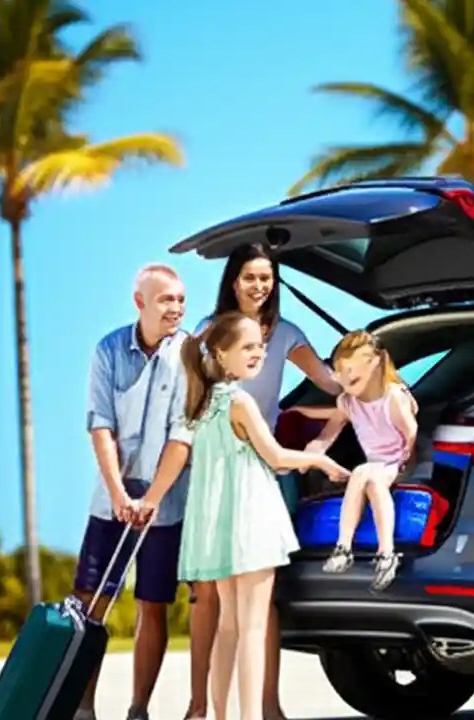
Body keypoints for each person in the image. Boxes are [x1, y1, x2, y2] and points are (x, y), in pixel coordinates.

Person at [147, 242, 341, 720]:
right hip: (244, 483)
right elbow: (273, 456)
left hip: (234, 480)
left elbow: (331, 382)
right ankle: (216, 708)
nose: (260, 285)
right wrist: (319, 460)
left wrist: (375, 387)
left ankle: (240, 709)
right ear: (233, 280)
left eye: (267, 276)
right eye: (251, 276)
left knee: (242, 615)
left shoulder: (227, 385)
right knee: (236, 612)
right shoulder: (223, 370)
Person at [73, 263, 193, 720]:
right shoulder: (107, 350)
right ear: (140, 302)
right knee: (90, 603)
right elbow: (99, 425)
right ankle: (83, 707)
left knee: (153, 604)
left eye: (180, 300)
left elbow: (183, 435)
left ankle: (138, 709)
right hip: (111, 503)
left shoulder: (190, 355)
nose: (176, 308)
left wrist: (153, 498)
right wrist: (120, 495)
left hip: (165, 505)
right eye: (166, 300)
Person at [301, 330, 418, 592]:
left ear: (375, 362)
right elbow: (327, 434)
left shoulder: (394, 398)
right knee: (363, 473)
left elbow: (411, 437)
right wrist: (312, 452)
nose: (346, 375)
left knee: (370, 476)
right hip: (375, 464)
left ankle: (386, 553)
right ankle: (344, 547)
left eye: (352, 367)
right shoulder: (347, 402)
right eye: (341, 370)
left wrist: (406, 465)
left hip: (398, 461)